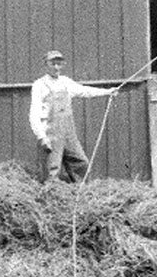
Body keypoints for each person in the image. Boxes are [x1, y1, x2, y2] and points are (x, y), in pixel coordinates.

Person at [29, 50, 116, 183]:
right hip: (51, 134)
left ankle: (84, 193)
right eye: (53, 64)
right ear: (46, 65)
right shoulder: (39, 85)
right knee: (53, 170)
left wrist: (108, 92)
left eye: (59, 64)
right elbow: (34, 113)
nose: (57, 67)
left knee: (81, 164)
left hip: (69, 133)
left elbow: (84, 91)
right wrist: (42, 137)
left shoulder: (65, 82)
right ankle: (51, 195)